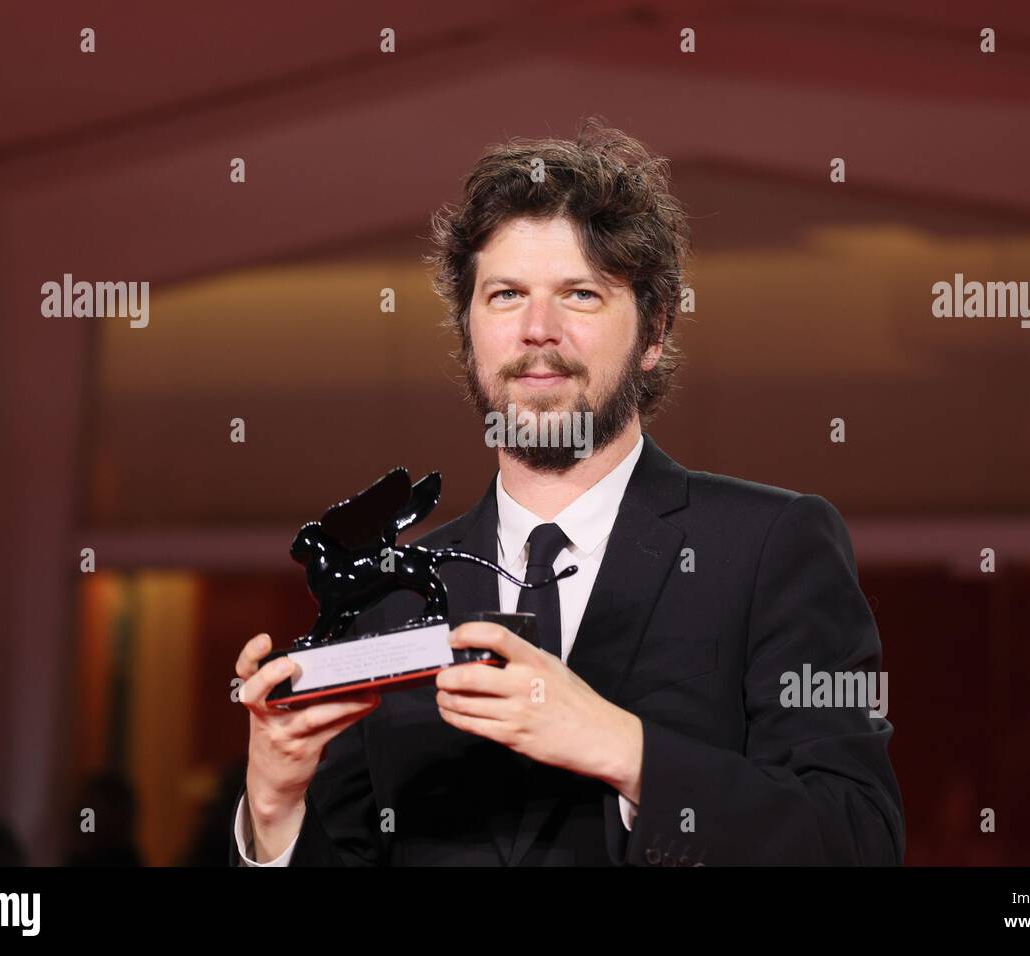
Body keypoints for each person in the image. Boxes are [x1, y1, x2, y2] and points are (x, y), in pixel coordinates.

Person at [230, 117, 904, 866]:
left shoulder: (773, 547)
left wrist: (624, 748)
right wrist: (274, 810)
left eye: (580, 294)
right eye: (506, 295)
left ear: (653, 333)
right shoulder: (393, 596)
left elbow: (857, 837)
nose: (537, 329)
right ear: (468, 332)